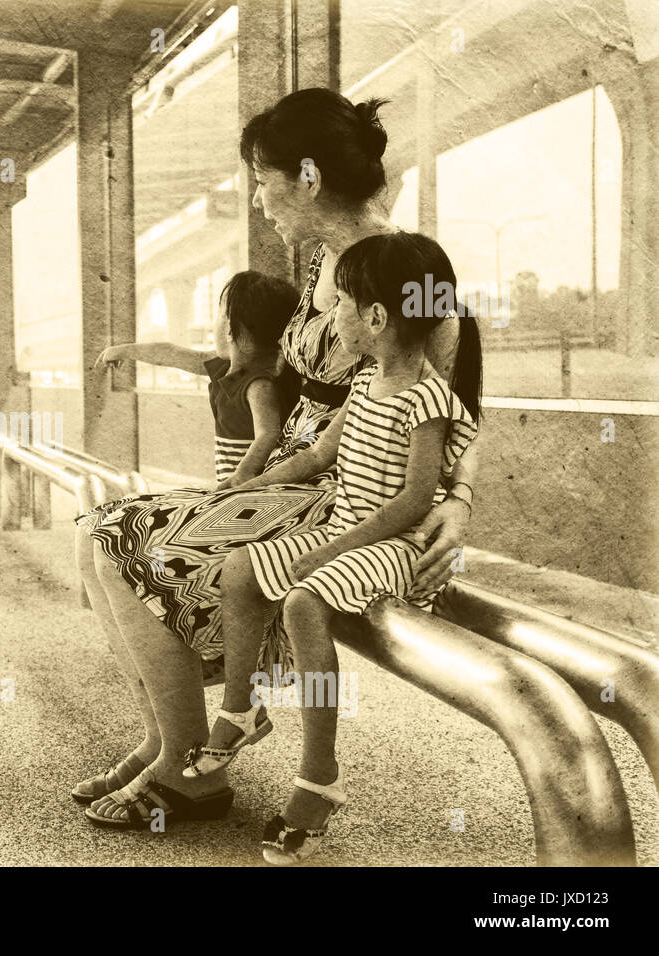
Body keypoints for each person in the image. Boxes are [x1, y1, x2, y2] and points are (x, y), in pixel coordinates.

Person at [72, 88, 479, 829]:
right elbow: (285, 381)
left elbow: (460, 404)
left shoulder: (399, 269)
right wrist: (250, 474)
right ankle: (170, 738)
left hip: (343, 484)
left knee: (121, 540)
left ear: (309, 177)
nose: (259, 200)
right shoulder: (324, 261)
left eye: (263, 179)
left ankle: (190, 769)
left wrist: (458, 499)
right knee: (96, 529)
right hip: (291, 469)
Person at [204, 233, 481, 863]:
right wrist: (248, 485)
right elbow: (316, 456)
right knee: (241, 567)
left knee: (303, 601)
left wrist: (329, 553)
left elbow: (414, 502)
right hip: (346, 531)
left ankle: (318, 776)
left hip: (394, 544)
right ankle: (240, 708)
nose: (335, 319)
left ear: (377, 318)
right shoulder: (363, 385)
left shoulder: (427, 397)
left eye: (344, 306)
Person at [94, 271, 300, 487]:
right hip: (236, 484)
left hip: (252, 487)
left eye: (219, 314)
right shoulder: (227, 367)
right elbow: (170, 353)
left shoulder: (259, 385)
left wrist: (243, 474)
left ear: (230, 329)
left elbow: (268, 433)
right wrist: (124, 350)